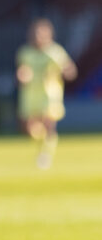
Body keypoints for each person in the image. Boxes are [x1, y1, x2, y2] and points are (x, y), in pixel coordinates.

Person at [16, 18, 76, 169]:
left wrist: (65, 72)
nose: (37, 37)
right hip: (30, 95)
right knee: (28, 129)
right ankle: (44, 144)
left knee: (48, 124)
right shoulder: (25, 52)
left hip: (49, 94)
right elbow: (22, 70)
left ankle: (45, 154)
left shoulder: (55, 52)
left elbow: (70, 70)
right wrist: (22, 76)